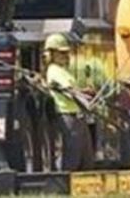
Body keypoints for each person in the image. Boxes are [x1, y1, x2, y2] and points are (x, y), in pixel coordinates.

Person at [44, 33, 94, 171]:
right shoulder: (54, 71)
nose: (65, 56)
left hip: (77, 115)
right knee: (73, 154)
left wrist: (85, 92)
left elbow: (74, 90)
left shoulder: (64, 71)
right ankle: (65, 184)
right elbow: (70, 91)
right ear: (51, 54)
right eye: (61, 53)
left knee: (86, 156)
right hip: (68, 116)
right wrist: (85, 97)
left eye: (66, 53)